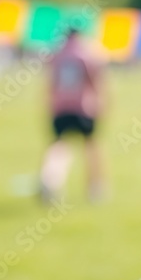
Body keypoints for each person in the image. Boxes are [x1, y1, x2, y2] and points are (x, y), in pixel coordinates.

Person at [38, 27, 108, 204]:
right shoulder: (86, 54)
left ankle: (50, 179)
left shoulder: (58, 55)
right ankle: (95, 188)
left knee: (59, 146)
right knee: (91, 147)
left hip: (60, 107)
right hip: (82, 107)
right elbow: (94, 81)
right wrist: (101, 102)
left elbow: (51, 83)